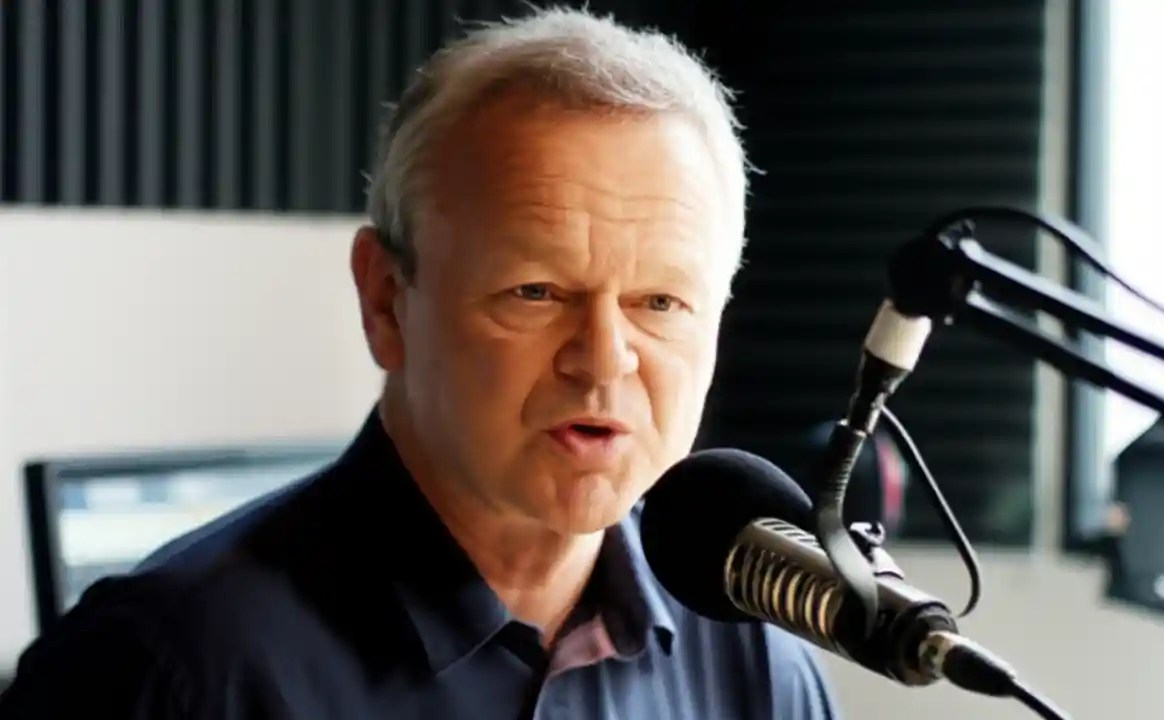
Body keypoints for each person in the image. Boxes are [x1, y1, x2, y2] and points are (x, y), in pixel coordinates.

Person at [0, 8, 840, 719]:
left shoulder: (761, 669)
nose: (603, 361)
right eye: (536, 292)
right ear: (385, 300)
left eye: (660, 303)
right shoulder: (171, 668)